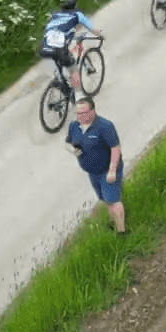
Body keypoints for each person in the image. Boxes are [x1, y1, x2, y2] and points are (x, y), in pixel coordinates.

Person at [65, 96, 125, 234]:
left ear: (92, 111)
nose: (80, 116)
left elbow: (115, 148)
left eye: (84, 113)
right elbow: (67, 142)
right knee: (105, 199)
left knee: (113, 201)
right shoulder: (74, 127)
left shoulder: (104, 126)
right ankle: (114, 222)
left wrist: (112, 170)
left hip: (106, 169)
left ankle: (122, 232)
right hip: (93, 173)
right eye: (78, 113)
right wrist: (72, 149)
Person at [40, 0, 101, 88]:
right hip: (59, 44)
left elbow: (53, 28)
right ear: (74, 4)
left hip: (45, 45)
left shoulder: (55, 14)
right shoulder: (77, 14)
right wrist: (100, 36)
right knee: (73, 68)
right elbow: (90, 27)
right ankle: (78, 97)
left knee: (63, 57)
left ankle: (62, 82)